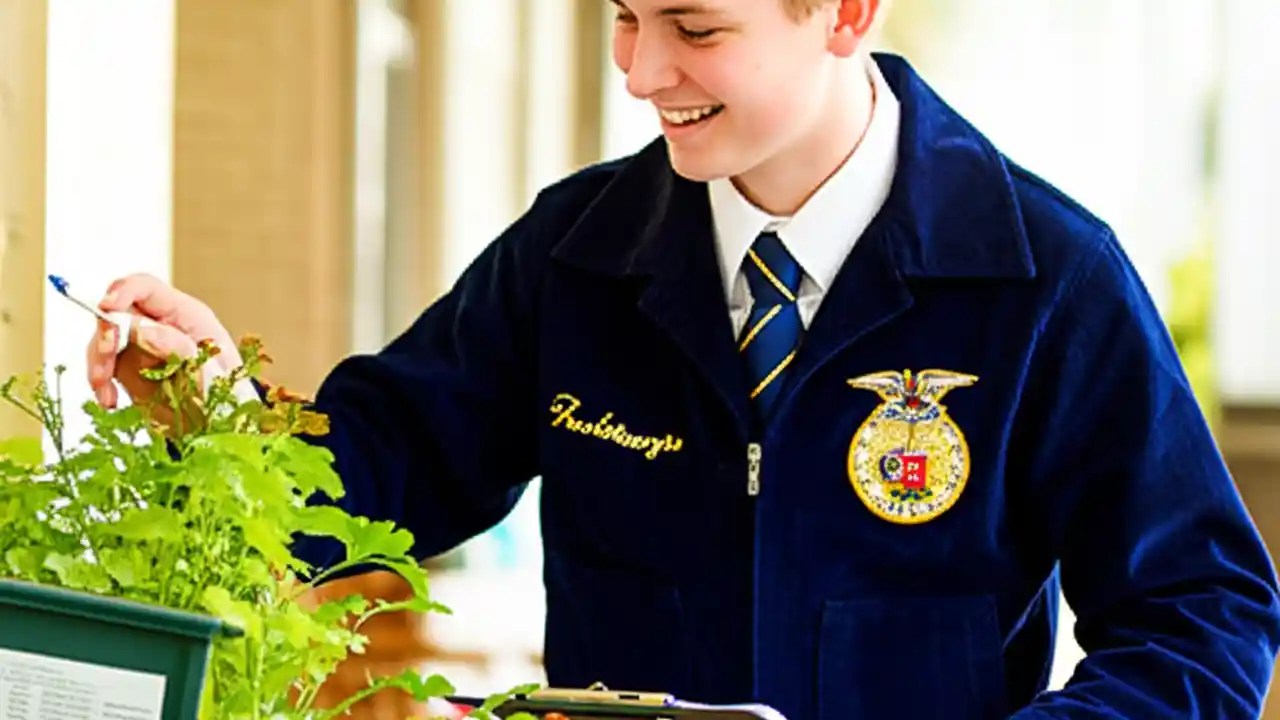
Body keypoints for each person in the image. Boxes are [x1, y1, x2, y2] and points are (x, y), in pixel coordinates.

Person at [86, 0, 1280, 718]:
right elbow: (373, 478)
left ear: (844, 11)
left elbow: (1202, 611)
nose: (640, 69)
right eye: (625, 14)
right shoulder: (574, 255)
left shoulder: (1045, 278)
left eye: (695, 26)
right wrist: (215, 415)